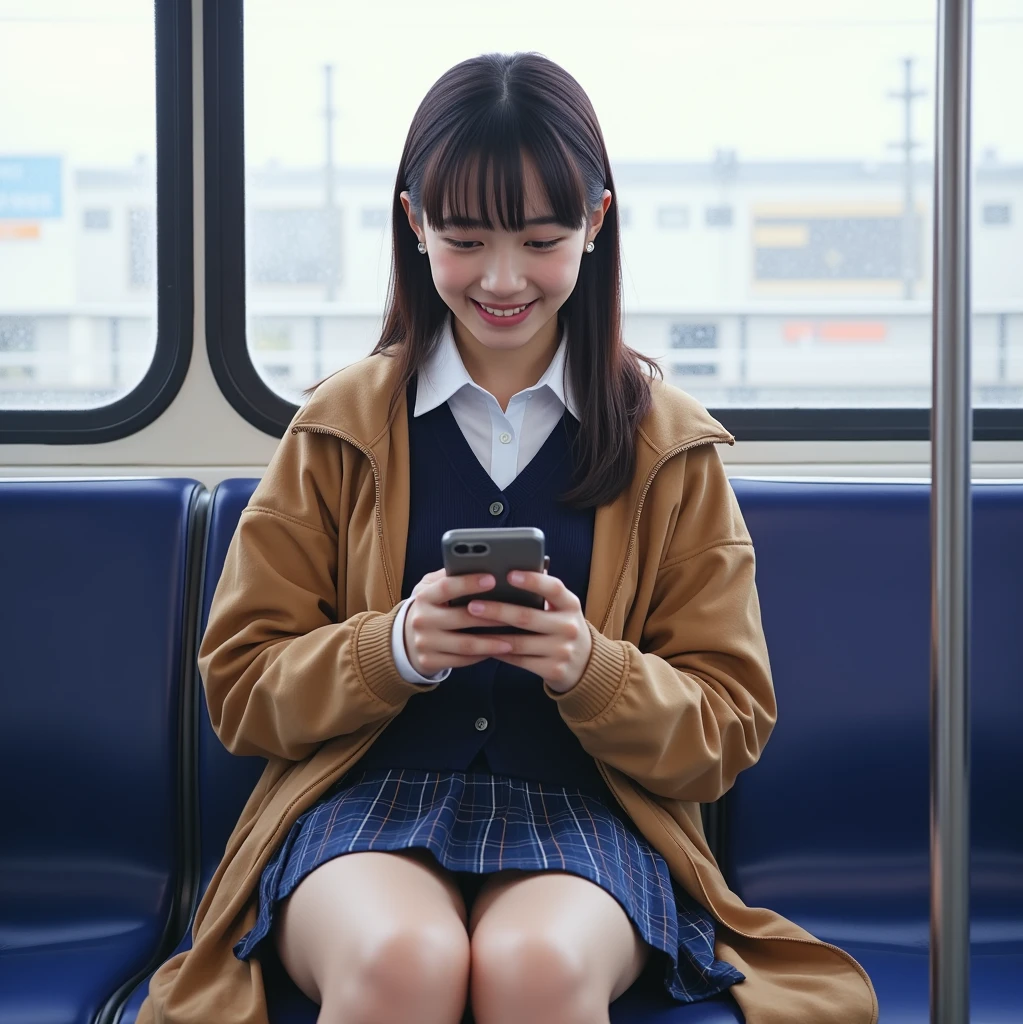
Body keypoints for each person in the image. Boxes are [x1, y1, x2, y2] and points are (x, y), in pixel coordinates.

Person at [137, 51, 877, 1024]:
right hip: (365, 804)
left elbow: (725, 727)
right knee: (401, 959)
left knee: (537, 967)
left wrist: (589, 668)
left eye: (538, 239)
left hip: (592, 813)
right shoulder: (336, 431)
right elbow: (240, 691)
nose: (500, 278)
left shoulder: (668, 449)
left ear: (596, 222)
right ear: (414, 223)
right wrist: (394, 648)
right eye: (464, 238)